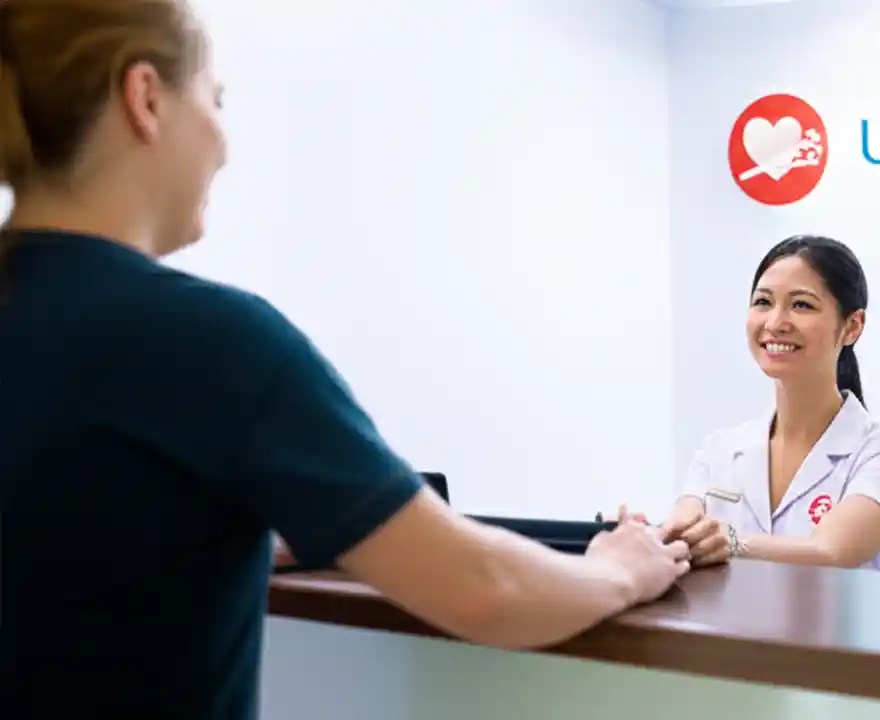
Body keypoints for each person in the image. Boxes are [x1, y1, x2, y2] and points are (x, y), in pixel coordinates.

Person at [0, 2, 689, 718]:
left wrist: (243, 538)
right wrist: (619, 572)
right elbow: (484, 589)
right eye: (216, 99)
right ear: (145, 98)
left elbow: (63, 536)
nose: (225, 145)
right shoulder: (209, 341)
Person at [640, 235, 880, 570]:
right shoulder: (718, 451)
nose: (775, 323)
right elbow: (685, 524)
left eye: (801, 305)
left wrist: (730, 542)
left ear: (852, 326)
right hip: (735, 623)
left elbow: (831, 554)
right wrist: (648, 536)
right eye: (763, 302)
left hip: (842, 625)